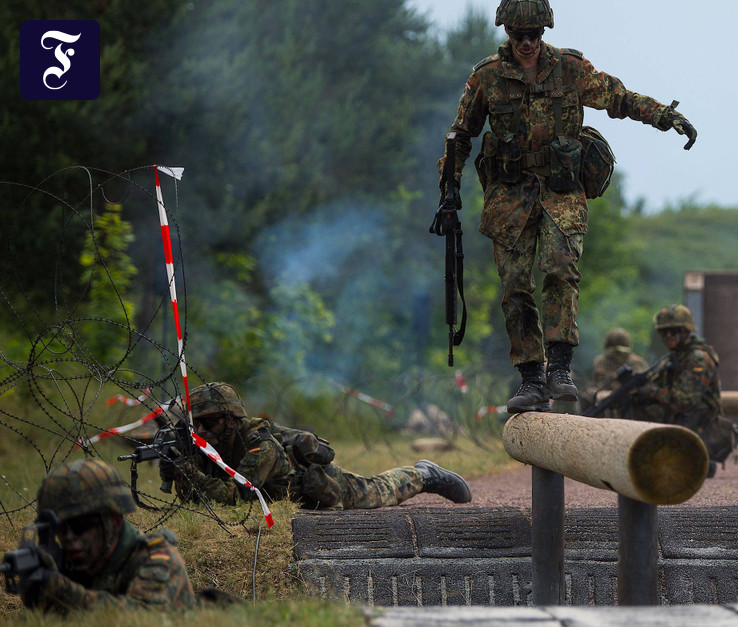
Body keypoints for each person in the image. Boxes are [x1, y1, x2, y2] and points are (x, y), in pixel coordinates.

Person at [439, 0, 697, 414]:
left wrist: (664, 116)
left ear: (544, 31)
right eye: (518, 35)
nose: (527, 43)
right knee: (514, 284)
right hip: (510, 196)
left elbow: (618, 97)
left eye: (534, 34)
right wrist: (449, 190)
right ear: (507, 32)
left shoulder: (570, 69)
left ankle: (559, 367)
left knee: (560, 267)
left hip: (561, 191)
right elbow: (460, 136)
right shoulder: (487, 76)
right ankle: (531, 376)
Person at [162, 383, 472, 510]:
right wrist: (181, 469)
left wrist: (189, 473)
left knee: (379, 491)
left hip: (317, 484)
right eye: (196, 424)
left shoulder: (260, 445)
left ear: (230, 419)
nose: (200, 430)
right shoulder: (211, 442)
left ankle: (423, 474)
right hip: (293, 496)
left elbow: (236, 496)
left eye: (208, 422)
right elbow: (200, 499)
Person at [13, 459, 195, 613]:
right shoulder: (70, 566)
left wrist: (61, 592)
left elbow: (139, 617)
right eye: (60, 527)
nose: (69, 537)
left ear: (114, 520)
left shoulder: (159, 560)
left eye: (80, 525)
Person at [628, 305, 738, 478]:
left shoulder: (698, 359)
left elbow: (684, 400)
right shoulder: (675, 357)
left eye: (674, 331)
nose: (668, 336)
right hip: (681, 422)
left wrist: (651, 391)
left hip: (697, 425)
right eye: (664, 332)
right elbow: (659, 387)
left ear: (686, 331)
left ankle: (697, 457)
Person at [587, 327, 649, 410]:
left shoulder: (637, 363)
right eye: (614, 353)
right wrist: (597, 394)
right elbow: (591, 387)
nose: (617, 358)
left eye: (621, 353)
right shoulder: (600, 362)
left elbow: (646, 387)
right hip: (604, 407)